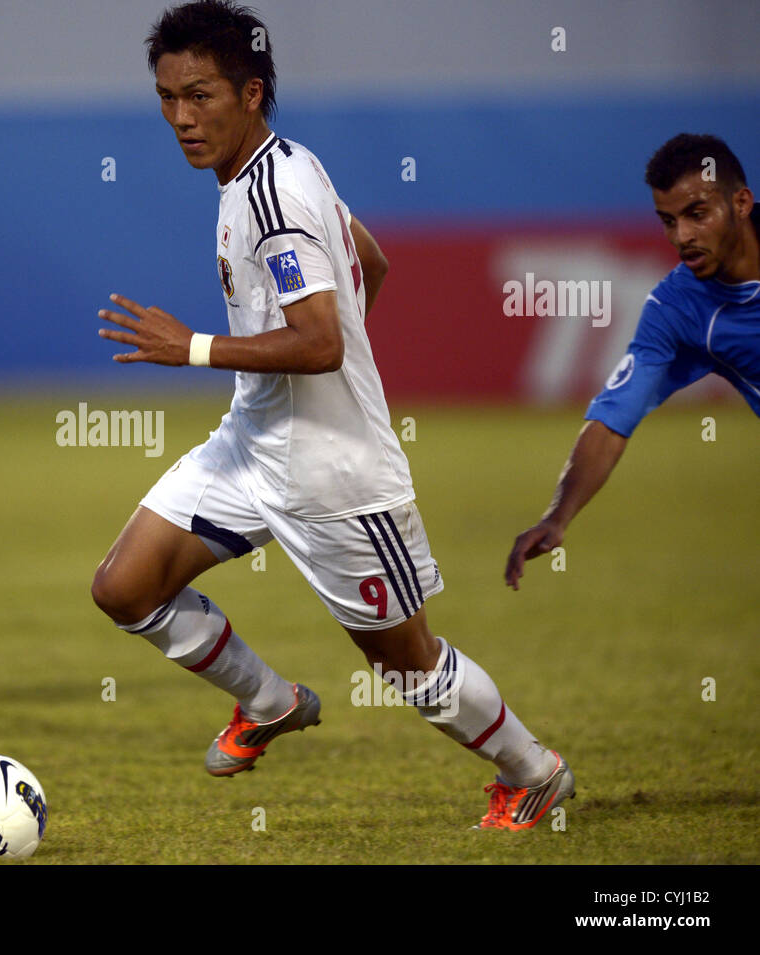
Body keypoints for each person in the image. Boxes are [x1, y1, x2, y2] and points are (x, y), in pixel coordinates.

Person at [92, 0, 571, 829]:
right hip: (252, 446)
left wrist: (193, 348)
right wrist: (316, 367)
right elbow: (370, 262)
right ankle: (269, 701)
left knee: (407, 665)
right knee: (126, 587)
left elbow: (320, 343)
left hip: (336, 474)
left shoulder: (274, 195)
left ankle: (534, 771)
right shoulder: (277, 167)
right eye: (167, 97)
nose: (181, 118)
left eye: (200, 96)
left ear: (250, 92)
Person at [507, 133, 759, 590]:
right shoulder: (677, 310)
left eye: (698, 214)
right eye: (668, 221)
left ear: (741, 203)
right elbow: (612, 420)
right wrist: (557, 517)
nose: (682, 237)